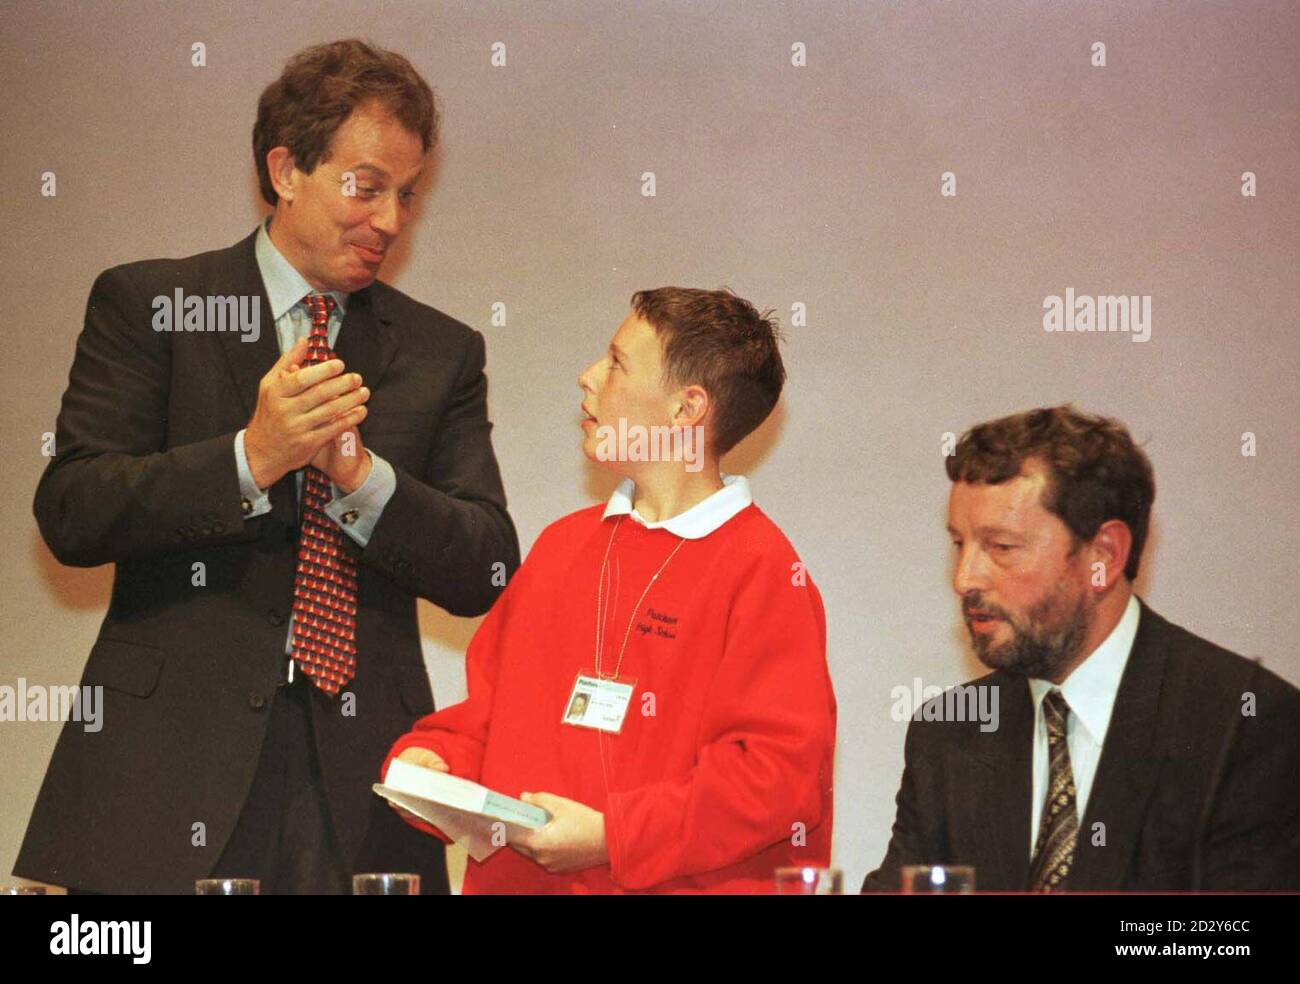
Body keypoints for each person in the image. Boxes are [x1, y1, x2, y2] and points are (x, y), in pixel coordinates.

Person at [15, 39, 519, 894]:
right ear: (286, 170)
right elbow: (71, 510)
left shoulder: (441, 351)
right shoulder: (153, 305)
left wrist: (366, 485)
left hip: (363, 781)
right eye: (366, 187)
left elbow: (487, 565)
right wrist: (252, 458)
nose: (391, 221)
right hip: (164, 769)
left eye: (407, 195)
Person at [382, 287, 837, 893]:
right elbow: (488, 718)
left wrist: (613, 836)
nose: (588, 377)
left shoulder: (764, 571)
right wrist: (435, 762)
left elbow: (776, 778)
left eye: (618, 363)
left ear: (686, 410)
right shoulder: (560, 547)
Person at [862, 405, 1300, 892]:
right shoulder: (950, 730)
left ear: (1104, 556)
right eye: (959, 544)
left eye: (1001, 547)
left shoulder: (1242, 725)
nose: (965, 579)